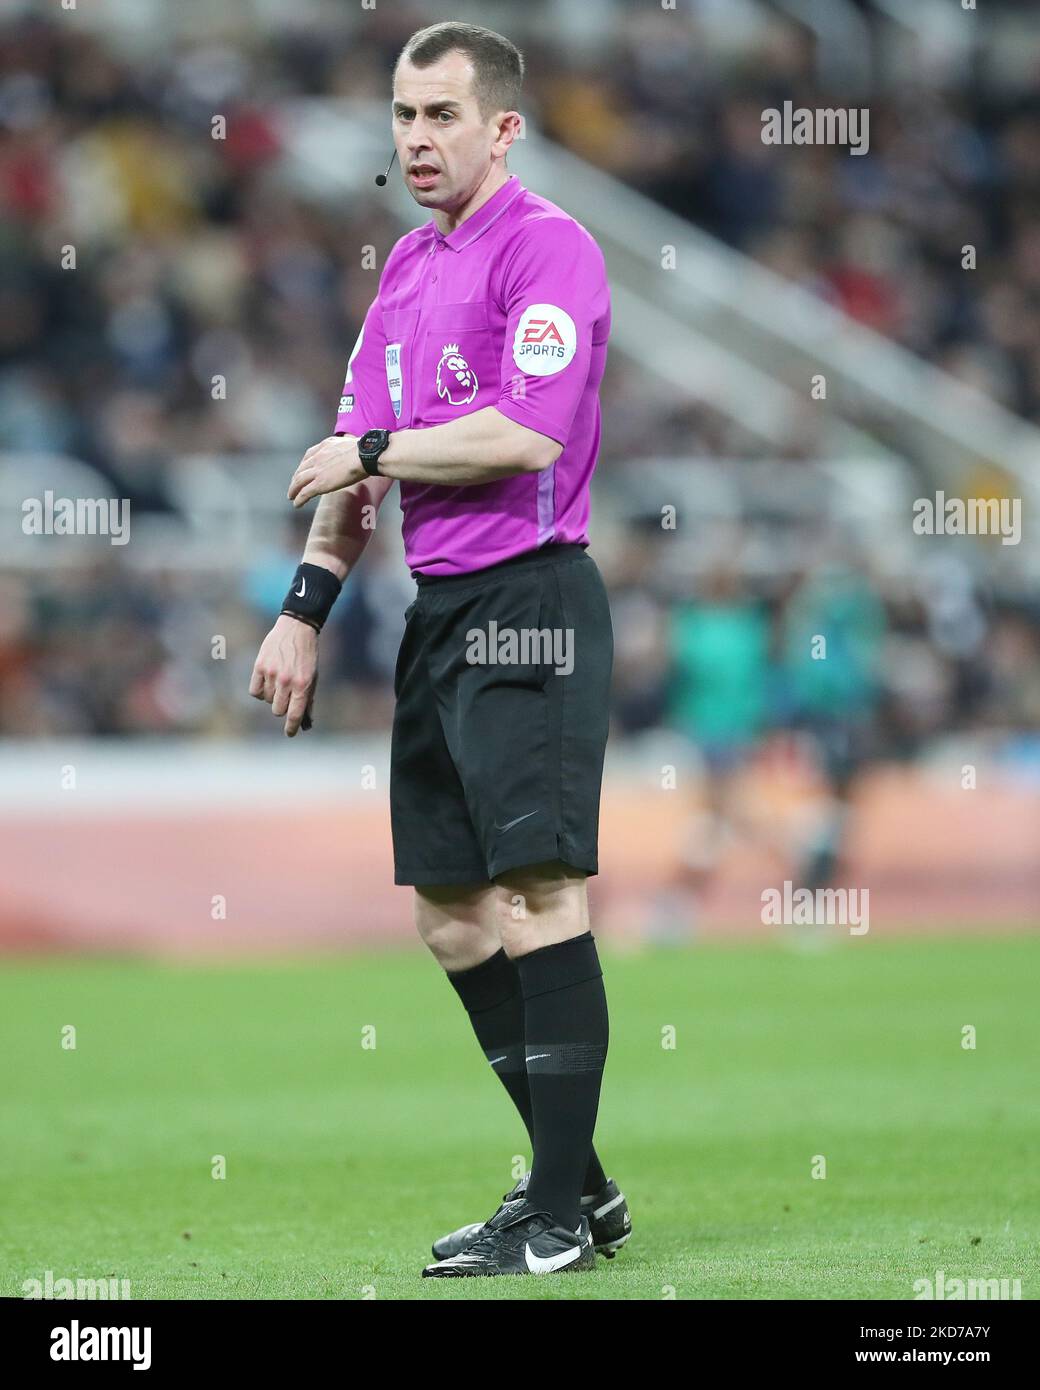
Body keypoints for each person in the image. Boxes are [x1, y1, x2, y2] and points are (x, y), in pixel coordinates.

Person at [249, 20, 630, 1278]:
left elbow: (526, 434)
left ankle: (559, 1215)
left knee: (535, 896)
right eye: (404, 117)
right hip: (436, 615)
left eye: (441, 117)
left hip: (529, 596)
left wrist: (368, 456)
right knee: (455, 919)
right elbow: (350, 465)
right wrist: (304, 607)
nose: (416, 139)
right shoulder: (405, 271)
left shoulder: (550, 250)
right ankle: (581, 1186)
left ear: (501, 126)